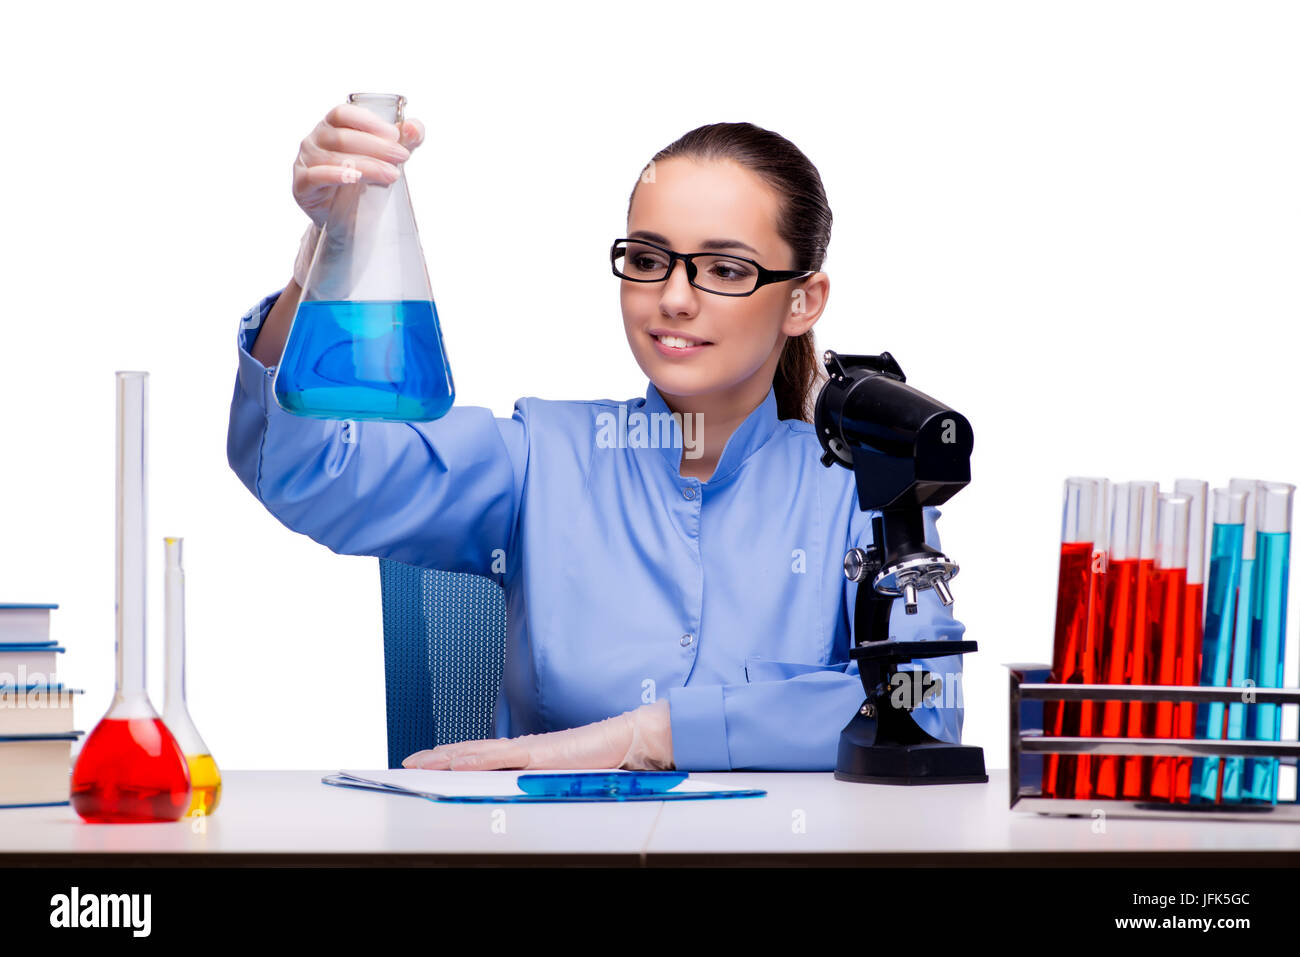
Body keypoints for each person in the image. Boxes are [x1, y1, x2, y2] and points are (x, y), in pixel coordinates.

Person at [227, 102, 967, 772]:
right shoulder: (540, 457)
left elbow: (921, 701)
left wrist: (647, 735)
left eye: (723, 269)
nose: (674, 298)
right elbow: (310, 469)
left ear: (803, 300)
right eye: (648, 260)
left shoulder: (859, 487)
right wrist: (331, 251)